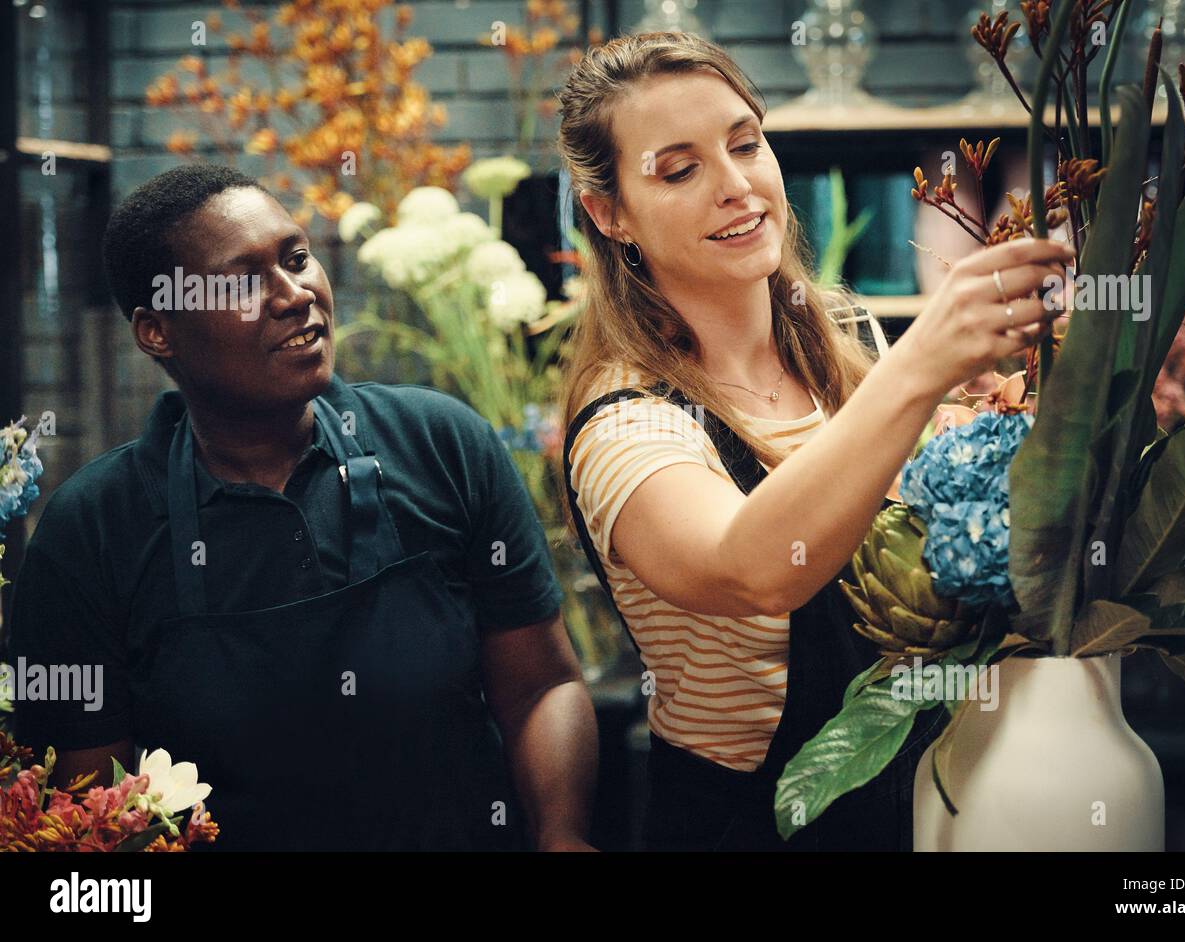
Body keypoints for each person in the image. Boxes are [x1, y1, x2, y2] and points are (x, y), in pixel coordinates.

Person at [558, 32, 1074, 851]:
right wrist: (918, 368)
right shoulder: (624, 418)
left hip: (917, 795)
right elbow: (750, 568)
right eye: (680, 170)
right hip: (747, 828)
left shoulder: (842, 333)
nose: (737, 188)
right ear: (609, 211)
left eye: (745, 144)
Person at [8, 164, 598, 851]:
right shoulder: (91, 531)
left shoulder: (442, 442)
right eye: (243, 281)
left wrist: (563, 835)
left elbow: (540, 689)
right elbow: (89, 817)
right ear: (156, 330)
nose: (295, 295)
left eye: (296, 259)